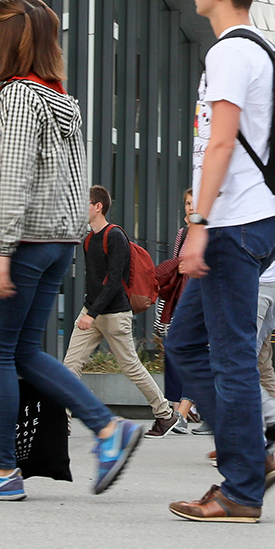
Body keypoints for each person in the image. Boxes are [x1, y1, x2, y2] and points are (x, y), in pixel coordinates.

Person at [0, 0, 144, 502]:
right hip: (58, 239)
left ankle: (2, 469)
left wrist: (1, 249)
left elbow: (11, 179)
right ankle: (108, 428)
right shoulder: (62, 100)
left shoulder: (15, 98)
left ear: (7, 40)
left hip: (23, 240)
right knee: (22, 352)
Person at [164, 0, 275, 522]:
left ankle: (241, 487)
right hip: (251, 217)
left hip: (236, 220)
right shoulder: (257, 50)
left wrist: (198, 223)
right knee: (186, 343)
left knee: (231, 356)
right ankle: (251, 453)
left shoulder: (232, 53)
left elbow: (220, 143)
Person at [64, 184, 175, 436]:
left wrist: (91, 314)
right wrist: (90, 311)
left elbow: (114, 282)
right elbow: (94, 281)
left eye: (85, 202)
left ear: (97, 206)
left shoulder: (115, 236)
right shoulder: (88, 239)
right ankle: (61, 422)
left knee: (131, 367)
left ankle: (165, 414)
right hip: (92, 310)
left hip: (114, 314)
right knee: (70, 365)